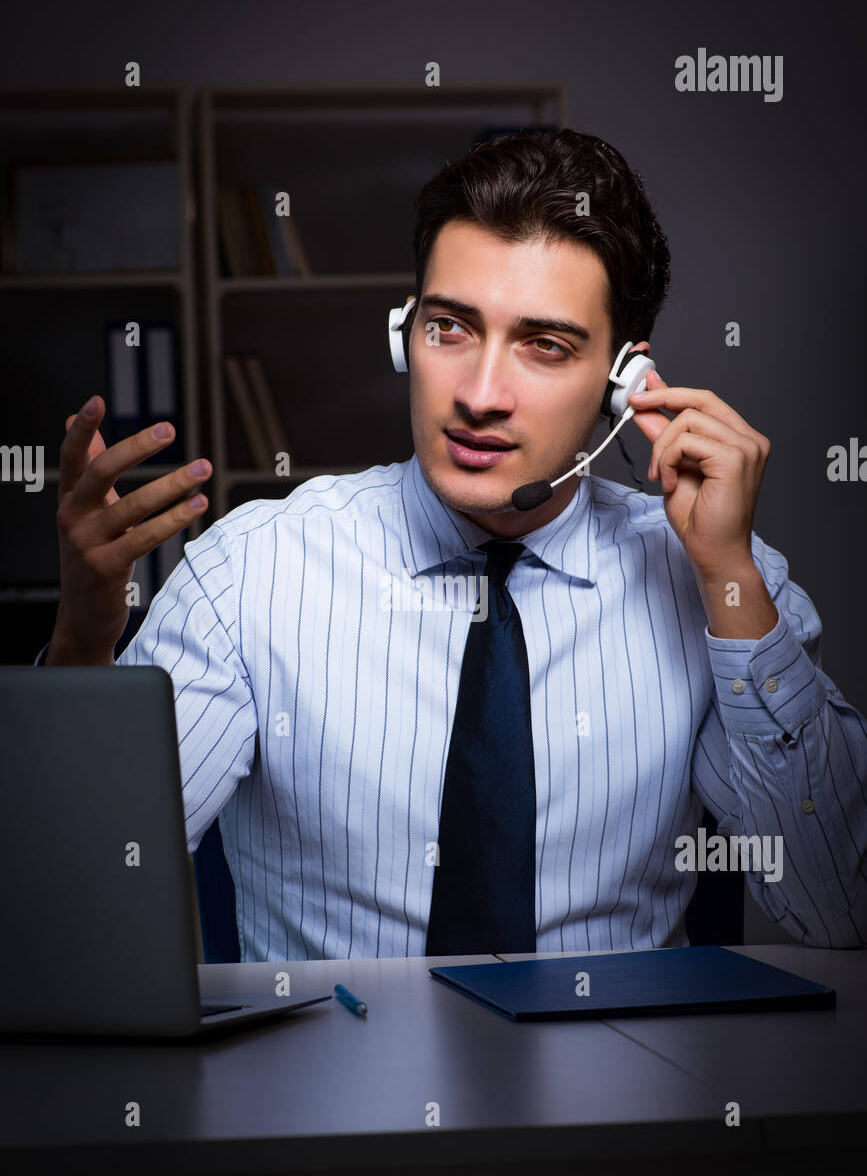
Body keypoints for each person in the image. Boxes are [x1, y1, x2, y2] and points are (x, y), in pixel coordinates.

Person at [40, 129, 867, 958]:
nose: (478, 395)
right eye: (450, 329)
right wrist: (82, 642)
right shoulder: (249, 573)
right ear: (408, 336)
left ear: (626, 384)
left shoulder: (718, 585)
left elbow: (840, 909)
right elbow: (65, 900)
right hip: (328, 1084)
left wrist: (728, 576)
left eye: (544, 346)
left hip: (624, 1084)